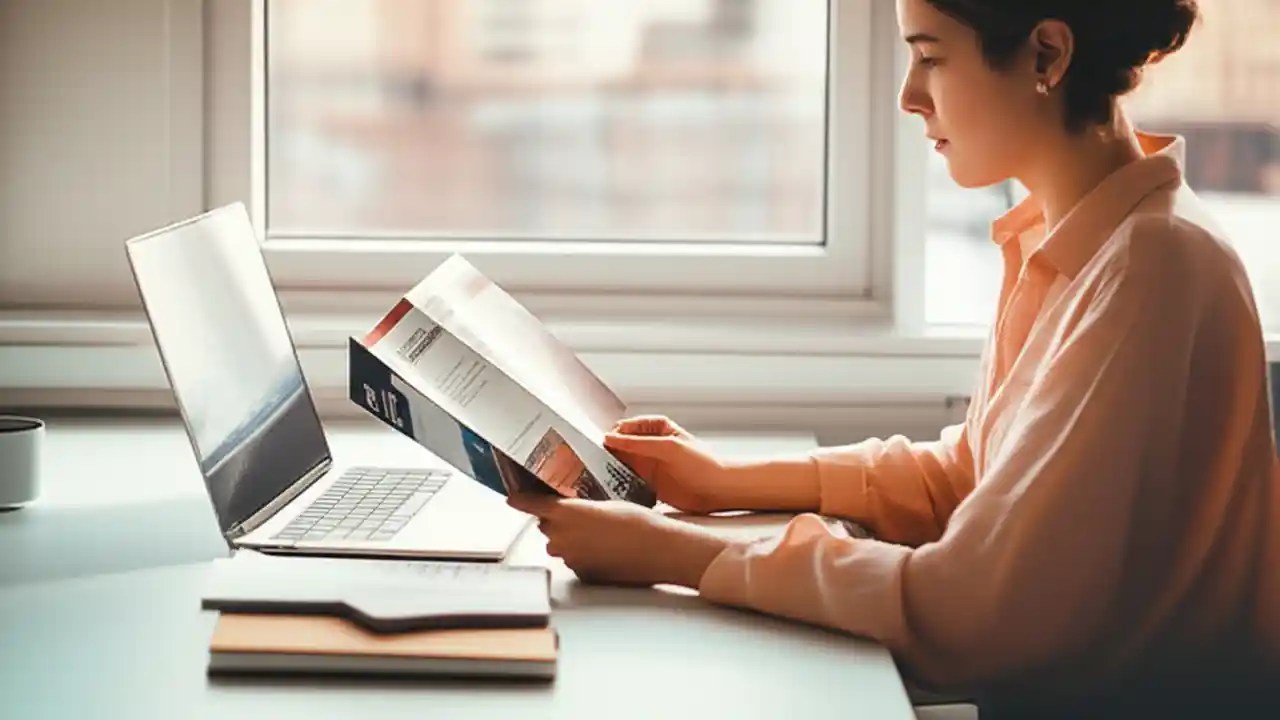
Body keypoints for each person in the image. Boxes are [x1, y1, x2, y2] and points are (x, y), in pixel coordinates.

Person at [509, 0, 1280, 715]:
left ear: (1046, 54)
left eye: (931, 57)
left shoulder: (1152, 266)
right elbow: (971, 477)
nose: (910, 96)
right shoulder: (1079, 236)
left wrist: (677, 554)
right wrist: (722, 482)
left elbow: (973, 606)